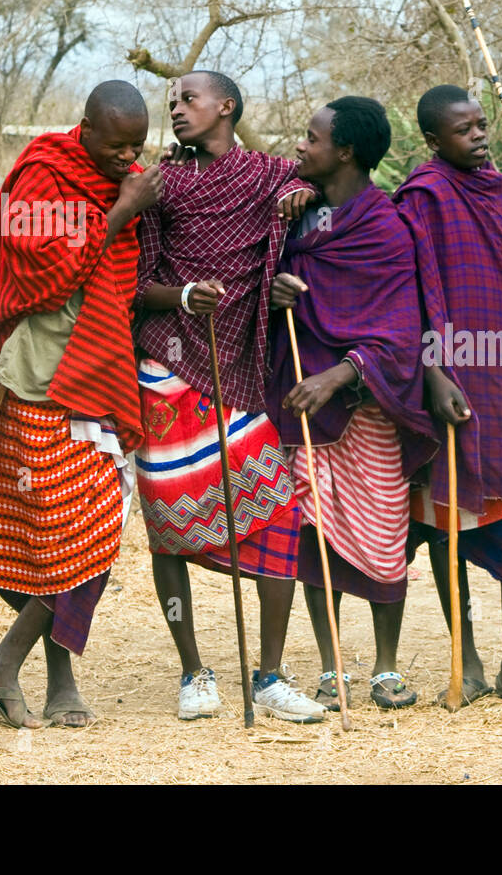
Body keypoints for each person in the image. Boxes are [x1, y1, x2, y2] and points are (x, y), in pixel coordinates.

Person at [0, 80, 161, 729]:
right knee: (46, 537)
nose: (126, 157)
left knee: (93, 532)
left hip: (99, 370)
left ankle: (17, 667)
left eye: (136, 145)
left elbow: (130, 276)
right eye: (114, 145)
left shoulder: (124, 179)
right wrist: (120, 212)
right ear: (84, 127)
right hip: (39, 374)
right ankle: (48, 674)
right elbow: (47, 281)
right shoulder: (43, 176)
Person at [133, 70, 324, 723]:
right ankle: (193, 670)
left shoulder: (271, 175)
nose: (177, 109)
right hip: (168, 365)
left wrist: (299, 198)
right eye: (173, 101)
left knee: (278, 514)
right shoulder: (164, 182)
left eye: (189, 99)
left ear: (226, 107)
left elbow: (307, 189)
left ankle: (269, 675)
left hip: (239, 368)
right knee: (166, 525)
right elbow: (138, 283)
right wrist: (186, 295)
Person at [267, 96, 438, 710]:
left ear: (344, 151)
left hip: (362, 406)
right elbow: (263, 276)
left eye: (309, 138)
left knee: (384, 532)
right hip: (301, 402)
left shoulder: (386, 228)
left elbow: (398, 329)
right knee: (315, 532)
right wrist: (279, 283)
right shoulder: (294, 217)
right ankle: (332, 664)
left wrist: (338, 377)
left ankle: (386, 669)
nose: (299, 146)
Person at [395, 85, 502, 708]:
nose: (481, 135)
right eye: (465, 130)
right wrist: (432, 369)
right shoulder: (422, 195)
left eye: (483, 124)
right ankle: (470, 659)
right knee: (445, 521)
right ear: (434, 141)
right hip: (449, 372)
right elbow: (413, 287)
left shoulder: (499, 188)